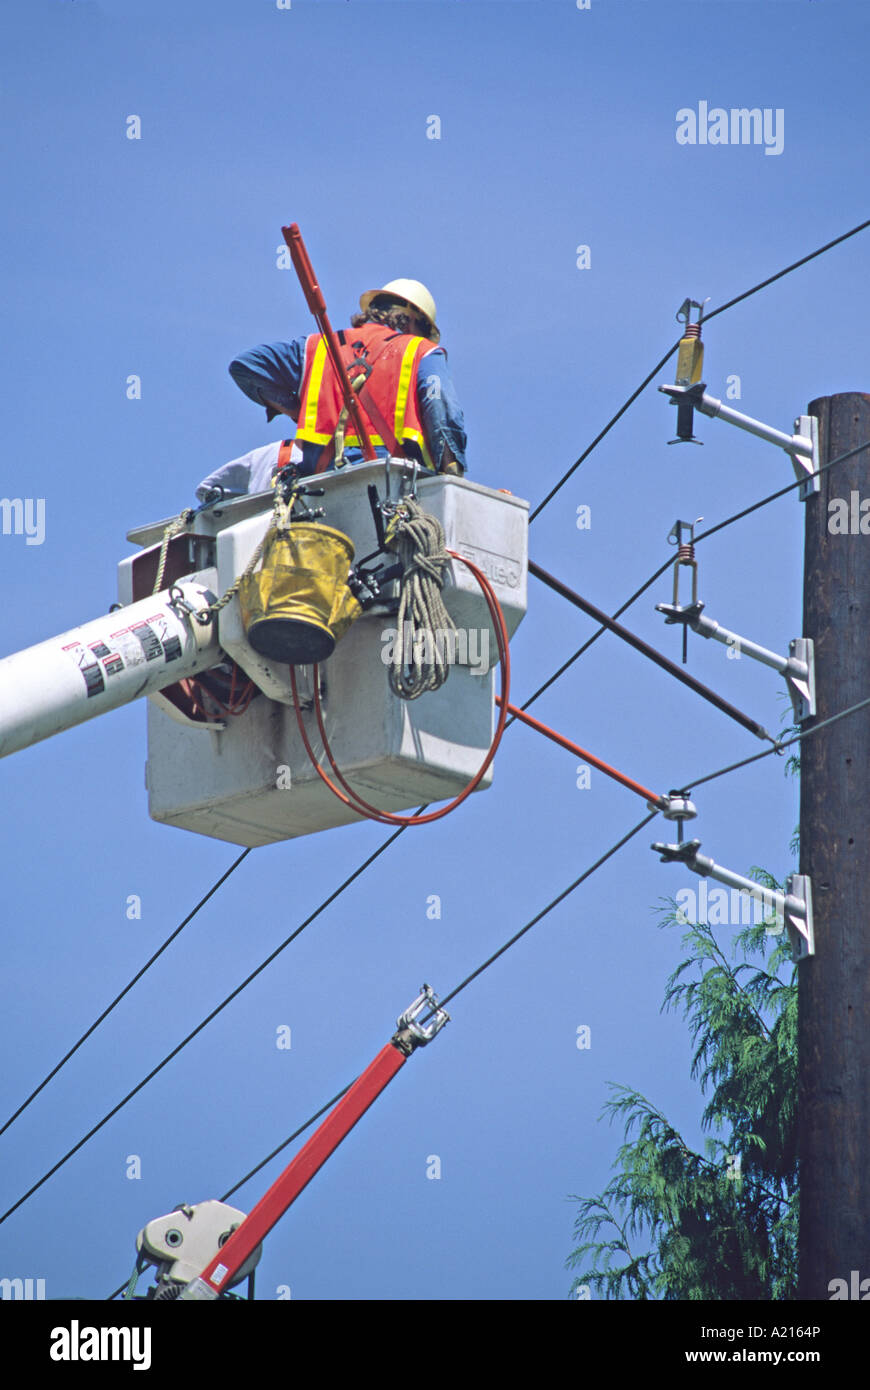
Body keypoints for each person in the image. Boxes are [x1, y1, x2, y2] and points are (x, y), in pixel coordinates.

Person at [196, 280, 467, 502]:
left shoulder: (318, 347)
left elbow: (246, 366)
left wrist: (291, 408)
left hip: (319, 489)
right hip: (393, 487)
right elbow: (440, 406)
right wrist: (451, 471)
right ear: (410, 320)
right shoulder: (422, 351)